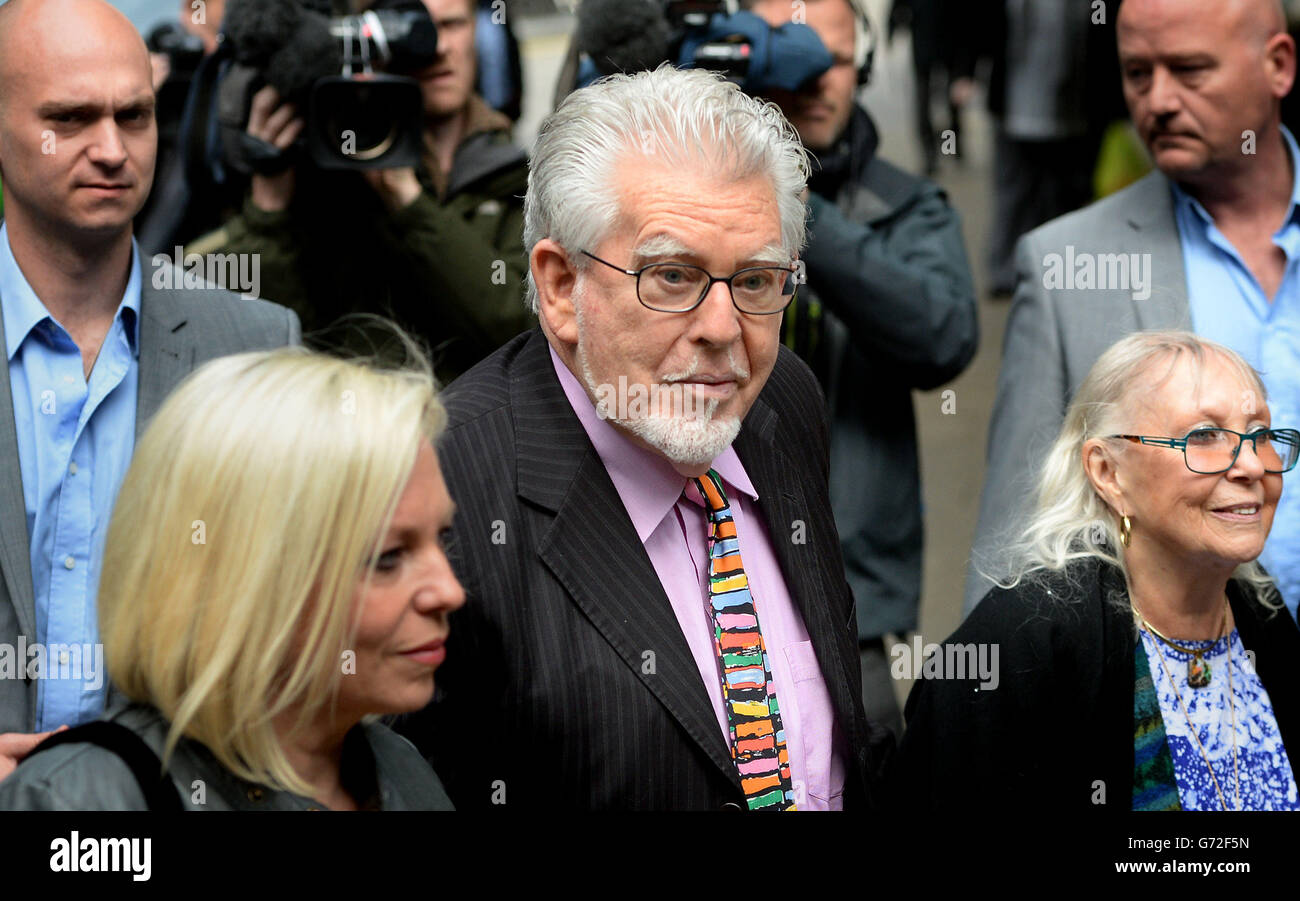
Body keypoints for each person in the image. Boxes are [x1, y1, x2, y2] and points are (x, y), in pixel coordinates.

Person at [394, 65, 889, 810]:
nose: (724, 330)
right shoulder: (448, 493)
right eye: (672, 276)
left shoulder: (782, 397)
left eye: (756, 280)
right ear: (562, 286)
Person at [0, 0, 299, 778]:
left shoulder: (253, 349)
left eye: (133, 116)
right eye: (69, 119)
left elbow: (295, 629)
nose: (111, 149)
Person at [0, 344, 464, 810]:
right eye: (387, 557)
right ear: (245, 578)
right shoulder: (84, 801)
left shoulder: (403, 773)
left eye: (441, 539)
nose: (449, 591)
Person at [964, 0, 1300, 621]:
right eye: (1138, 73)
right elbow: (1014, 544)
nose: (1159, 101)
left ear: (1278, 65)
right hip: (1168, 699)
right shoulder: (1068, 267)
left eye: (1190, 69)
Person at [897, 331, 1300, 810]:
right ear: (1108, 472)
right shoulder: (1023, 644)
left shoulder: (1262, 614)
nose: (1252, 465)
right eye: (1205, 437)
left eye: (1261, 435)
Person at [744, 0, 976, 739]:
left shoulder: (907, 206)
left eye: (834, 58)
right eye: (791, 53)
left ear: (866, 67)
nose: (814, 79)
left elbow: (942, 336)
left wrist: (792, 204)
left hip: (854, 592)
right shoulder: (692, 199)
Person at [194, 0, 533, 382]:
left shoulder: (517, 175)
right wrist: (270, 200)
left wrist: (406, 199)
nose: (436, 46)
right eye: (410, 28)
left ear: (478, 32)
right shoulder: (330, 172)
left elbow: (522, 331)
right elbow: (272, 347)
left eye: (452, 25)